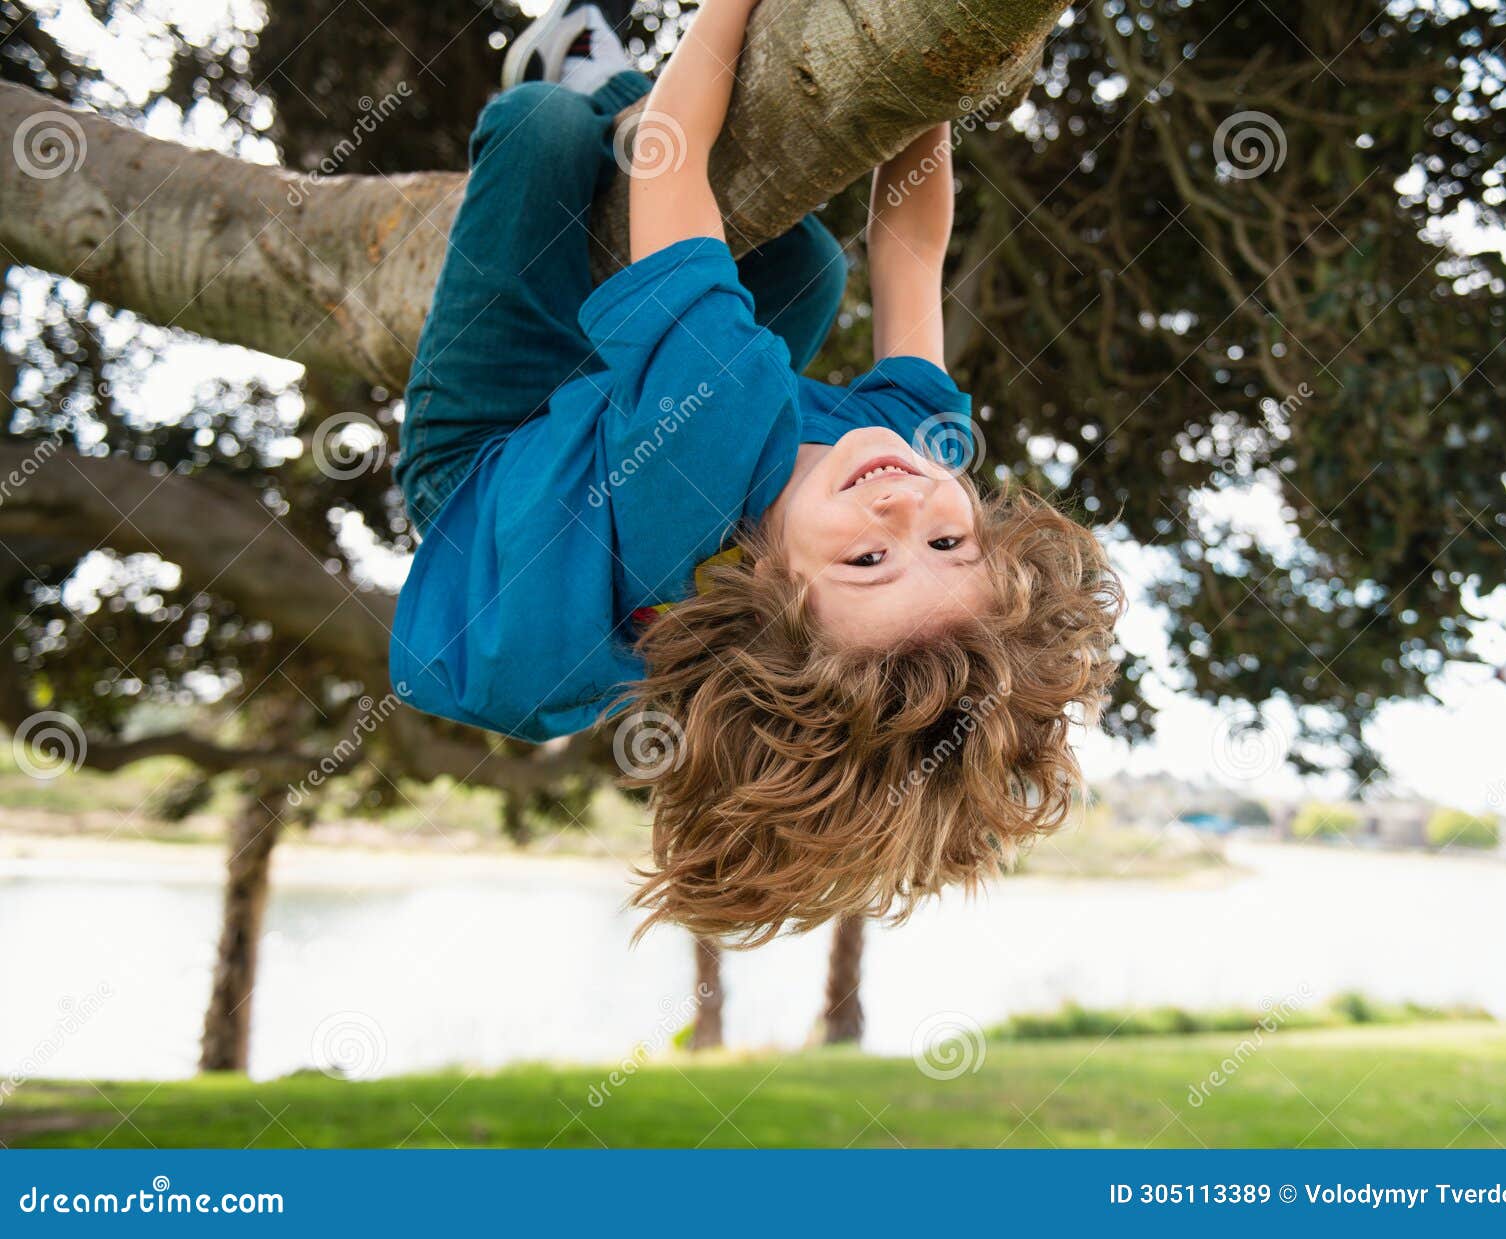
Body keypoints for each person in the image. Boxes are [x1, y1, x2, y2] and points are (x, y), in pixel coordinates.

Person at [392, 0, 1122, 945]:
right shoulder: (915, 449)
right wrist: (931, 78)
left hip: (488, 473)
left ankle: (582, 62)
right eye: (948, 542)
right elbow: (911, 256)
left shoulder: (712, 429)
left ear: (761, 593)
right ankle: (643, 335)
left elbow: (672, 152)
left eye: (868, 562)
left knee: (543, 135)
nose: (905, 505)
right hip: (615, 459)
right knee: (810, 264)